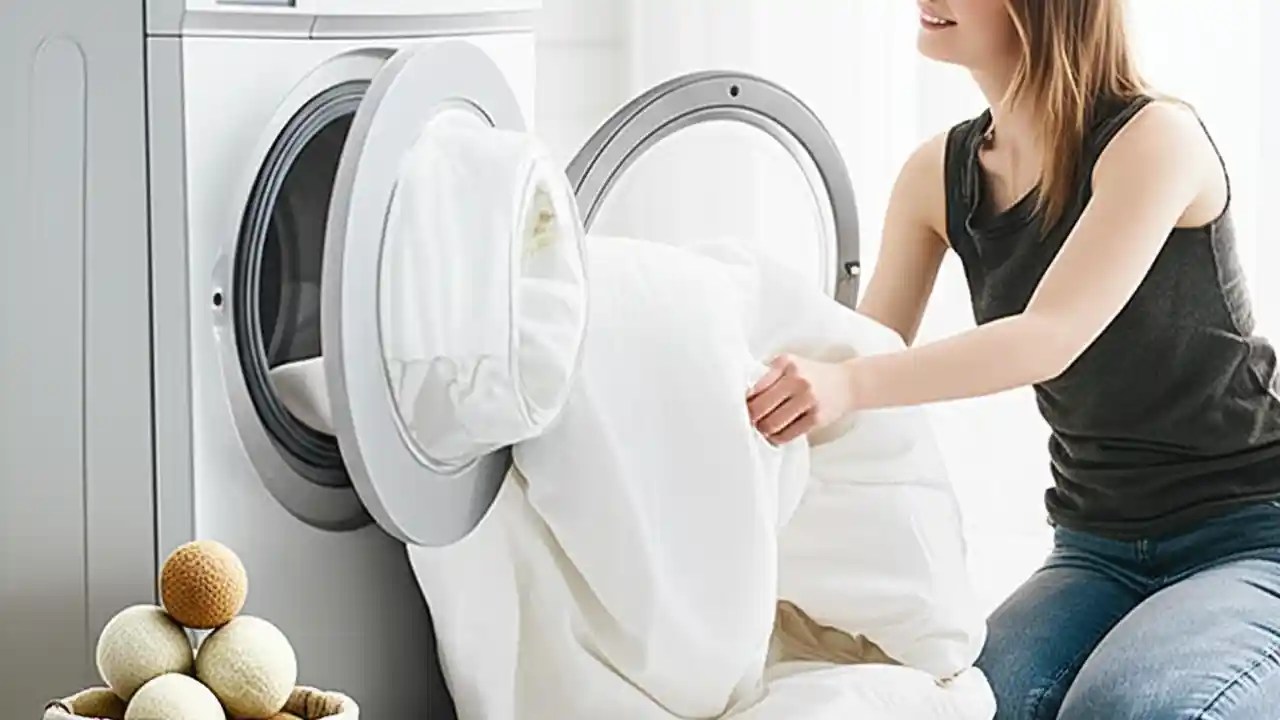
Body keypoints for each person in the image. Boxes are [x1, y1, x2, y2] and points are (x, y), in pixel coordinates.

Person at [745, 0, 1280, 717]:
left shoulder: (1156, 138)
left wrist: (848, 382)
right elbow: (865, 347)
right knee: (972, 705)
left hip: (1250, 533)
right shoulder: (939, 174)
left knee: (1127, 709)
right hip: (1097, 542)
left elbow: (1048, 335)